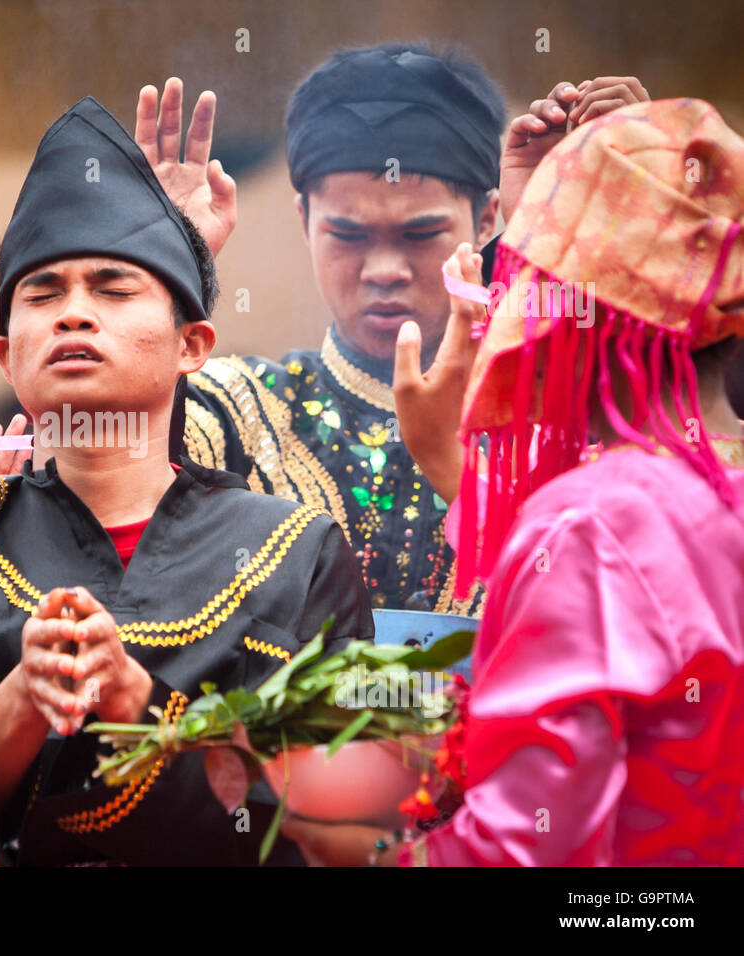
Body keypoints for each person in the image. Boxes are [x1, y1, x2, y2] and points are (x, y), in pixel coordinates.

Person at [0, 96, 374, 866]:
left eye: (113, 289)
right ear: (8, 357)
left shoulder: (294, 553)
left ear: (192, 345)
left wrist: (134, 705)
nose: (74, 313)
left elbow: (337, 820)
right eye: (42, 294)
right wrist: (15, 706)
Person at [282, 97, 744, 866]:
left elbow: (525, 848)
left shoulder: (592, 525)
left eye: (526, 278)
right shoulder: (714, 490)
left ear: (574, 307)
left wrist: (361, 856)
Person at [137, 46, 649, 615]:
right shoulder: (240, 409)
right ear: (306, 221)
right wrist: (157, 269)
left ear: (487, 220)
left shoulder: (570, 423)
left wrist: (609, 227)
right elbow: (107, 461)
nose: (384, 271)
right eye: (349, 235)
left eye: (419, 234)